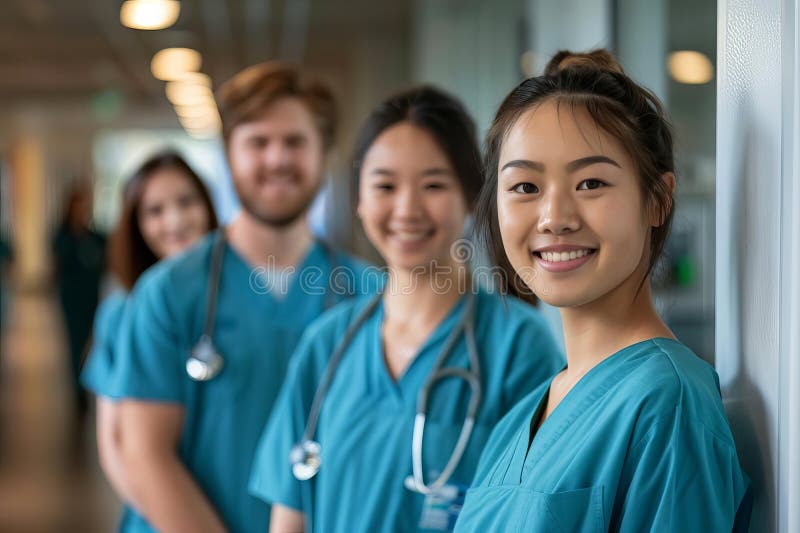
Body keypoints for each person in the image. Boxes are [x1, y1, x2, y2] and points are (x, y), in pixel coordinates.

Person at [454, 50, 751, 531]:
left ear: (657, 200)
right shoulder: (519, 422)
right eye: (525, 187)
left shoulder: (666, 404)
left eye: (591, 182)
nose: (555, 217)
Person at [249, 86, 564, 533]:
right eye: (385, 185)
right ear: (359, 199)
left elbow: (537, 512)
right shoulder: (327, 344)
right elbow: (289, 515)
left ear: (473, 196)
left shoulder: (519, 346)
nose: (407, 209)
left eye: (433, 184)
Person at [110, 62, 370, 533]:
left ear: (324, 153)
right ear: (229, 154)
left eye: (295, 142)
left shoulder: (371, 294)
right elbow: (146, 455)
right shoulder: (169, 293)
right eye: (258, 142)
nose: (277, 159)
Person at [80, 150, 218, 523]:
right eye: (154, 211)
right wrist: (170, 517)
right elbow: (115, 446)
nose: (174, 220)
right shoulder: (121, 312)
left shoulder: (236, 299)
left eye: (186, 202)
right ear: (135, 225)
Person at [52, 185, 106, 416]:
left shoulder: (97, 237)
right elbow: (58, 266)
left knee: (91, 343)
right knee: (75, 343)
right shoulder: (62, 236)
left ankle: (90, 382)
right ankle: (79, 389)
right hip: (71, 297)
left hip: (92, 296)